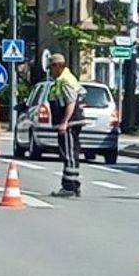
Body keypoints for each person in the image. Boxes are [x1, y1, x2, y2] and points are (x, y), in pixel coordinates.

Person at [47, 53, 85, 198]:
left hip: (70, 123)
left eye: (51, 67)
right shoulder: (64, 79)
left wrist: (64, 122)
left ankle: (69, 187)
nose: (50, 70)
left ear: (57, 66)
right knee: (71, 154)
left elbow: (71, 102)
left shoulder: (65, 81)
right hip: (72, 122)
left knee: (68, 154)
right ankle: (73, 184)